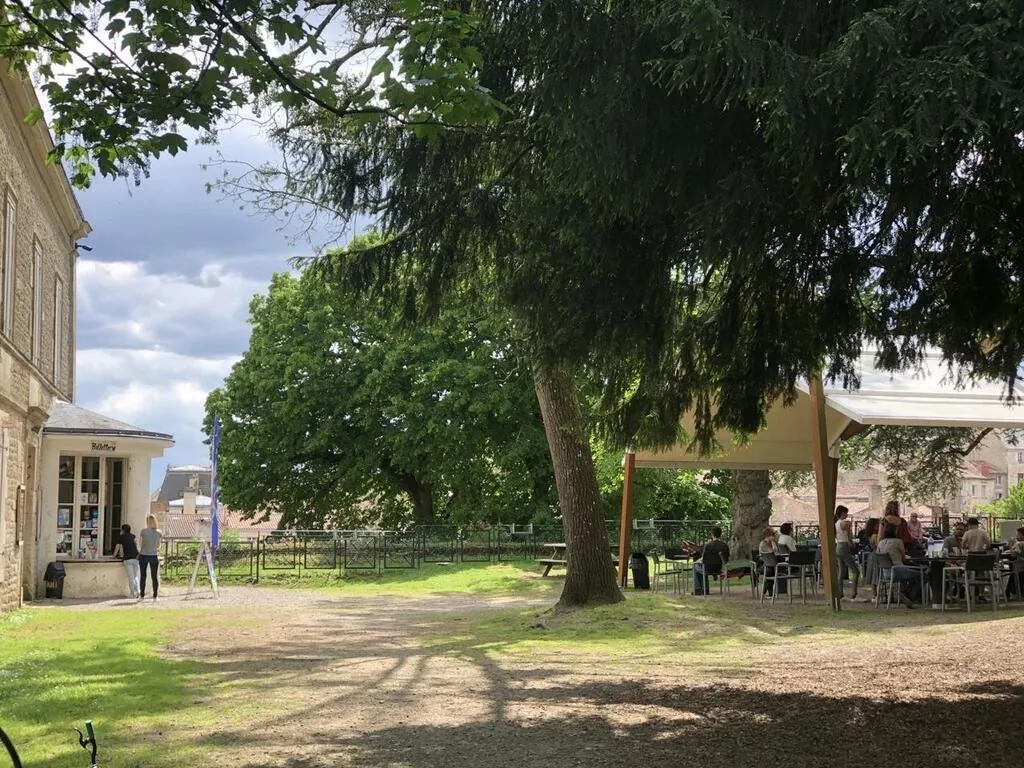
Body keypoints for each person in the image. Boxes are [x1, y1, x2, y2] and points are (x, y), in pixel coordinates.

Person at [875, 524, 922, 607]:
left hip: (885, 573)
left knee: (911, 574)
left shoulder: (880, 543)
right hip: (897, 571)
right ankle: (909, 595)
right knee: (922, 574)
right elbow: (904, 559)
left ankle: (906, 592)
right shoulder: (898, 541)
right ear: (895, 532)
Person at [834, 505, 863, 601]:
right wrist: (851, 542)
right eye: (846, 513)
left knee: (841, 571)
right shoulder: (843, 523)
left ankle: (840, 592)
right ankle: (854, 593)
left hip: (838, 546)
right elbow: (848, 534)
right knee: (855, 571)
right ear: (843, 513)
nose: (847, 515)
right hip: (844, 546)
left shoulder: (836, 523)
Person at [694, 527, 730, 595]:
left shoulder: (708, 545)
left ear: (712, 534)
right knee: (701, 567)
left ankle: (699, 589)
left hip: (708, 568)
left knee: (696, 567)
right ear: (720, 534)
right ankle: (704, 589)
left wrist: (698, 561)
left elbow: (704, 559)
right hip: (720, 568)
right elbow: (727, 557)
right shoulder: (725, 545)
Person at [138, 514, 164, 601]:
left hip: (143, 555)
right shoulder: (159, 532)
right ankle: (155, 596)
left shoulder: (143, 531)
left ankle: (142, 596)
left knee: (143, 576)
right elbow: (158, 545)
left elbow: (141, 544)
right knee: (154, 576)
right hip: (153, 555)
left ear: (147, 522)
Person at [112, 523, 140, 598]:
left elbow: (117, 547)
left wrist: (113, 556)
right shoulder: (133, 536)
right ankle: (138, 592)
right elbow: (136, 546)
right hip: (136, 558)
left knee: (131, 577)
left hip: (128, 559)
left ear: (123, 530)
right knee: (135, 577)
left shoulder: (121, 537)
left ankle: (132, 594)